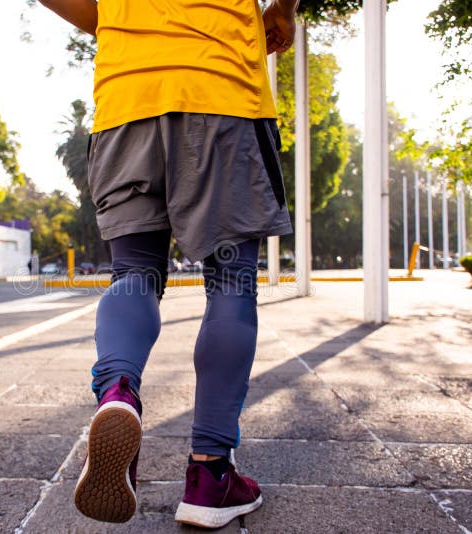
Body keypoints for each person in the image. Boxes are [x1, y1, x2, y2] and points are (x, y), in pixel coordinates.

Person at [39, 0, 299, 527]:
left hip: (125, 100)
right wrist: (284, 10)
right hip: (222, 89)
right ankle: (210, 475)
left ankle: (117, 391)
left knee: (133, 274)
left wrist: (109, 17)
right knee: (231, 282)